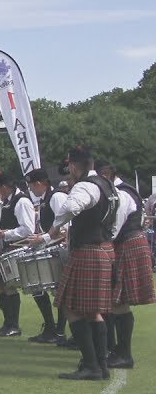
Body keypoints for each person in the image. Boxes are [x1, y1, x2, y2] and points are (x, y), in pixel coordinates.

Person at [47, 147, 119, 381]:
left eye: (70, 168)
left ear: (75, 167)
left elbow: (71, 207)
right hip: (102, 249)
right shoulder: (108, 185)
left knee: (72, 309)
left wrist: (55, 226)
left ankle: (92, 365)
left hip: (87, 253)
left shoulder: (85, 186)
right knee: (92, 312)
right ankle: (100, 364)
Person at [91, 160, 151, 369]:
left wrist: (97, 241)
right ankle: (118, 350)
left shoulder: (121, 194)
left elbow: (114, 227)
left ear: (105, 176)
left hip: (128, 244)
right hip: (128, 244)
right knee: (116, 300)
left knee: (119, 300)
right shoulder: (119, 191)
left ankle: (124, 354)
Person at [0, 170, 37, 337]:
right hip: (6, 248)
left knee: (9, 286)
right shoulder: (7, 201)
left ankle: (13, 325)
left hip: (16, 248)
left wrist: (4, 234)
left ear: (7, 187)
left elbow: (28, 229)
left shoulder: (21, 201)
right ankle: (8, 322)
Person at [23, 168, 66, 343]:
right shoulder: (45, 199)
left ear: (39, 184)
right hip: (52, 248)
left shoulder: (56, 198)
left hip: (60, 250)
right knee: (37, 287)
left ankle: (59, 331)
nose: (31, 190)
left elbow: (65, 228)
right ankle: (51, 328)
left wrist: (42, 238)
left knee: (59, 292)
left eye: (32, 186)